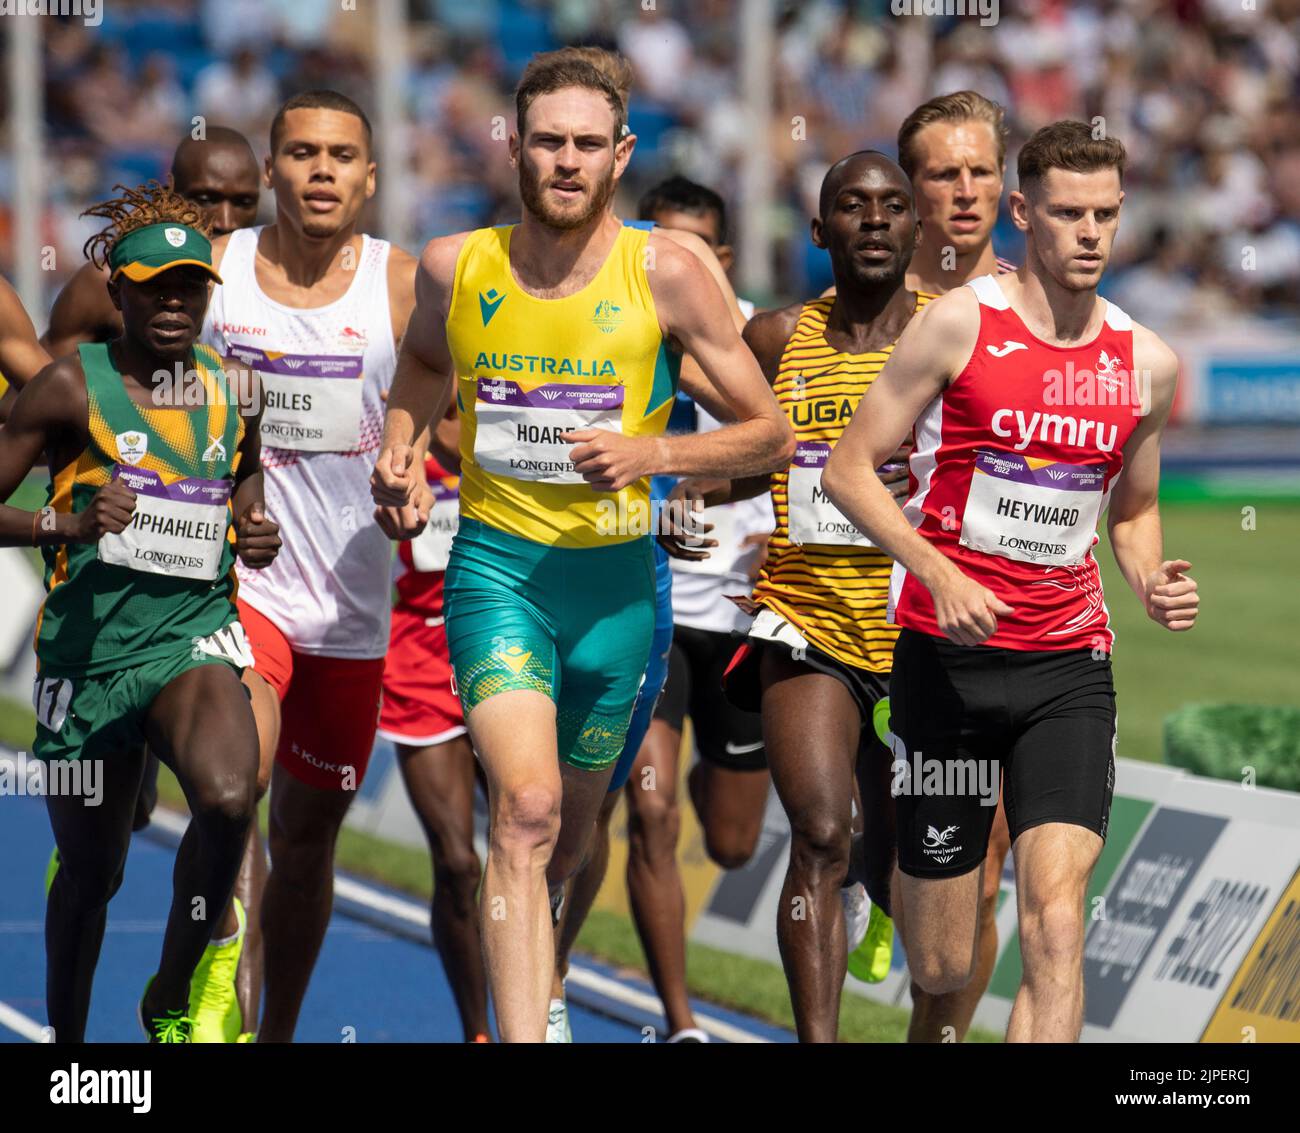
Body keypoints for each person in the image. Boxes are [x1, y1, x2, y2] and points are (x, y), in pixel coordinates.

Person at [372, 51, 793, 1042]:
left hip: (620, 599)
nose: (566, 160)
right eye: (549, 141)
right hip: (500, 574)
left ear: (621, 154)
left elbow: (769, 431)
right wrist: (397, 454)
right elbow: (424, 364)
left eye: (587, 144)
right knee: (520, 808)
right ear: (514, 145)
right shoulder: (453, 264)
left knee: (567, 836)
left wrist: (652, 448)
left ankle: (545, 978)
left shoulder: (670, 271)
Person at [823, 121, 1198, 1043]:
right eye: (1070, 213)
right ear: (1025, 212)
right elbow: (850, 469)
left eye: (1107, 214)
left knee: (1058, 923)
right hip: (947, 664)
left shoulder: (1146, 364)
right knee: (945, 961)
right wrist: (936, 571)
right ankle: (891, 867)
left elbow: (1133, 513)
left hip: (1067, 667)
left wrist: (1149, 578)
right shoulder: (959, 324)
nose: (1090, 234)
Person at [0, 182, 279, 1041]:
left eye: (189, 288)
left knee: (231, 797)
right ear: (115, 293)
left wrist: (252, 521)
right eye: (154, 287)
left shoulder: (237, 389)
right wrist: (66, 522)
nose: (173, 304)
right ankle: (69, 1050)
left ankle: (169, 994)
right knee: (92, 877)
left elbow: (243, 472)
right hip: (88, 657)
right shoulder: (63, 388)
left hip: (188, 635)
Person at [663, 152, 925, 1042]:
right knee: (818, 832)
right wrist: (693, 492)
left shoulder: (952, 336)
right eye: (855, 206)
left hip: (927, 626)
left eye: (894, 206)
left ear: (917, 228)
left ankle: (887, 900)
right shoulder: (777, 338)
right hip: (806, 616)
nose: (877, 220)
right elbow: (757, 457)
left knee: (909, 868)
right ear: (821, 231)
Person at [201, 90, 421, 1042]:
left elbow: (454, 411)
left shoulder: (404, 286)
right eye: (301, 152)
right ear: (270, 173)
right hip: (240, 587)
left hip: (354, 606)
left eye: (341, 155)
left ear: (370, 178)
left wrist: (415, 476)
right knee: (233, 784)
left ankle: (275, 1028)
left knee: (306, 836)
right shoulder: (215, 272)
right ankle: (210, 972)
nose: (321, 169)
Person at [889, 89, 1019, 1041]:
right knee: (859, 840)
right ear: (912, 188)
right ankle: (871, 879)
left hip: (999, 621)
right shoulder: (867, 307)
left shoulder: (1037, 301)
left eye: (981, 170)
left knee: (991, 859)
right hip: (859, 608)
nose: (965, 191)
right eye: (944, 173)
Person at [373, 407, 492, 1043]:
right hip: (420, 661)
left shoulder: (511, 430)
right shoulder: (398, 446)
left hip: (505, 646)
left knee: (538, 847)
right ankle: (477, 1031)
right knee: (455, 861)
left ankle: (541, 1002)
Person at [42, 128, 261, 360]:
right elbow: (33, 384)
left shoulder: (275, 285)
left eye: (244, 202)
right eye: (206, 199)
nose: (226, 221)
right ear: (170, 194)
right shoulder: (111, 279)